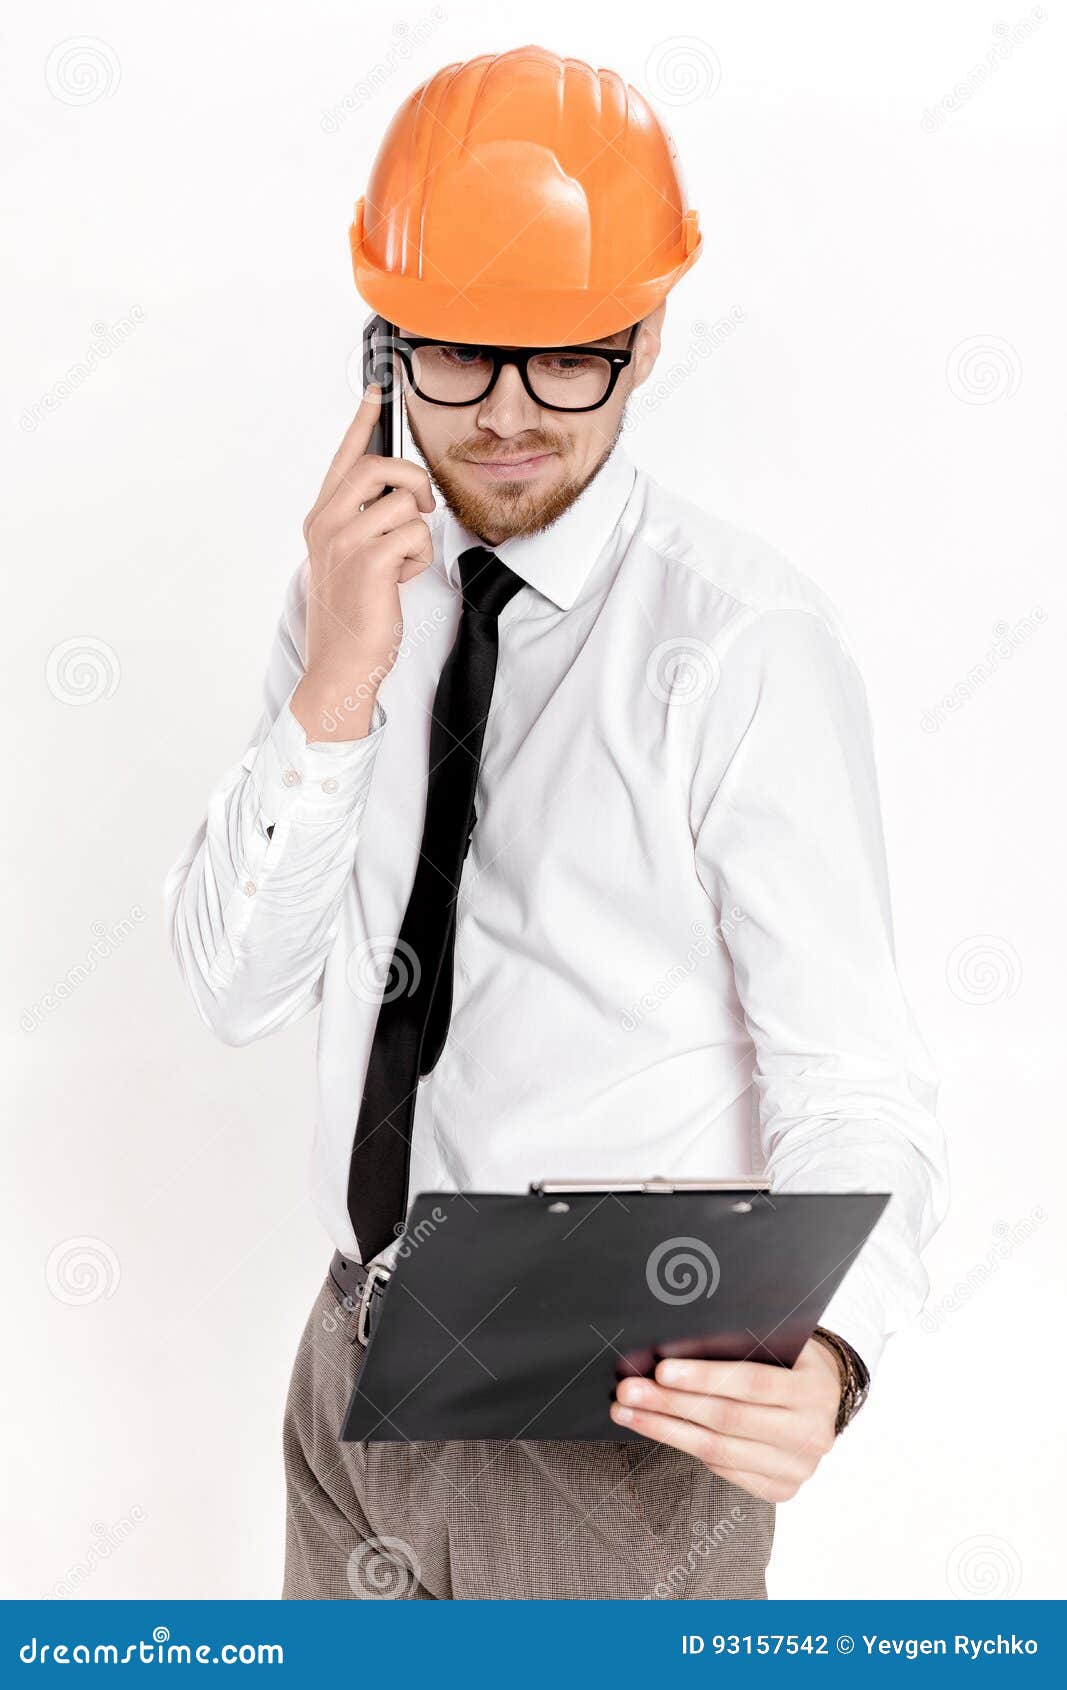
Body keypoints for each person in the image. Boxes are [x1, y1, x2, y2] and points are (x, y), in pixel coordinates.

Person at [164, 44, 947, 1601]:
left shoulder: (738, 646)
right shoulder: (349, 602)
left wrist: (841, 1353)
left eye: (567, 358)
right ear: (383, 349)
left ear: (646, 338)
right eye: (458, 356)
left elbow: (854, 1073)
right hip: (352, 1367)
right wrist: (338, 678)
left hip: (609, 1422)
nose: (511, 417)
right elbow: (234, 987)